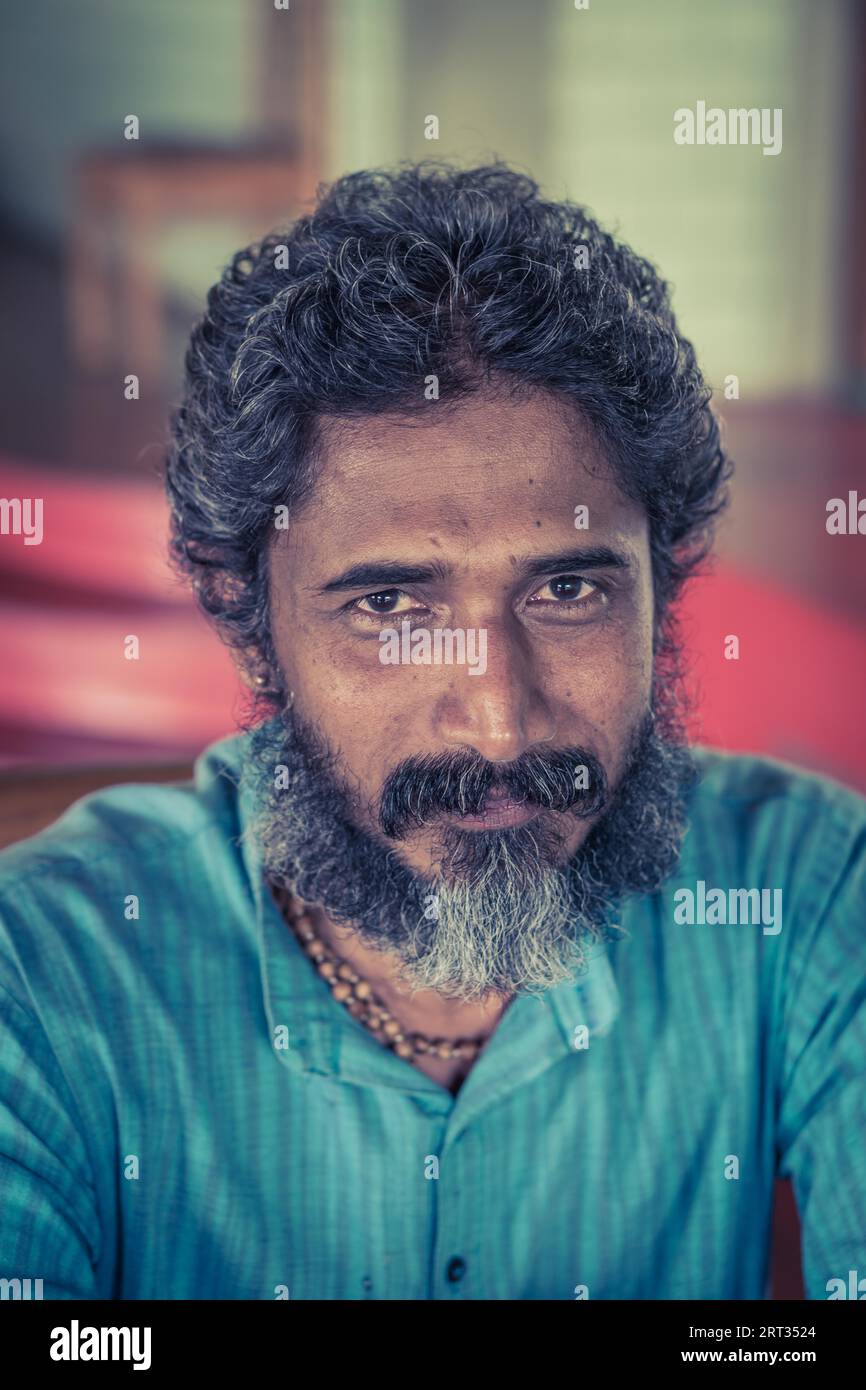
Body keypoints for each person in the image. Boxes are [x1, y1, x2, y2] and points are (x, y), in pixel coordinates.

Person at [1, 162, 864, 1301]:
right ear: (249, 621)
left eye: (566, 591)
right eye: (388, 606)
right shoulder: (46, 973)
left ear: (660, 590)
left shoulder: (800, 891)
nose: (499, 716)